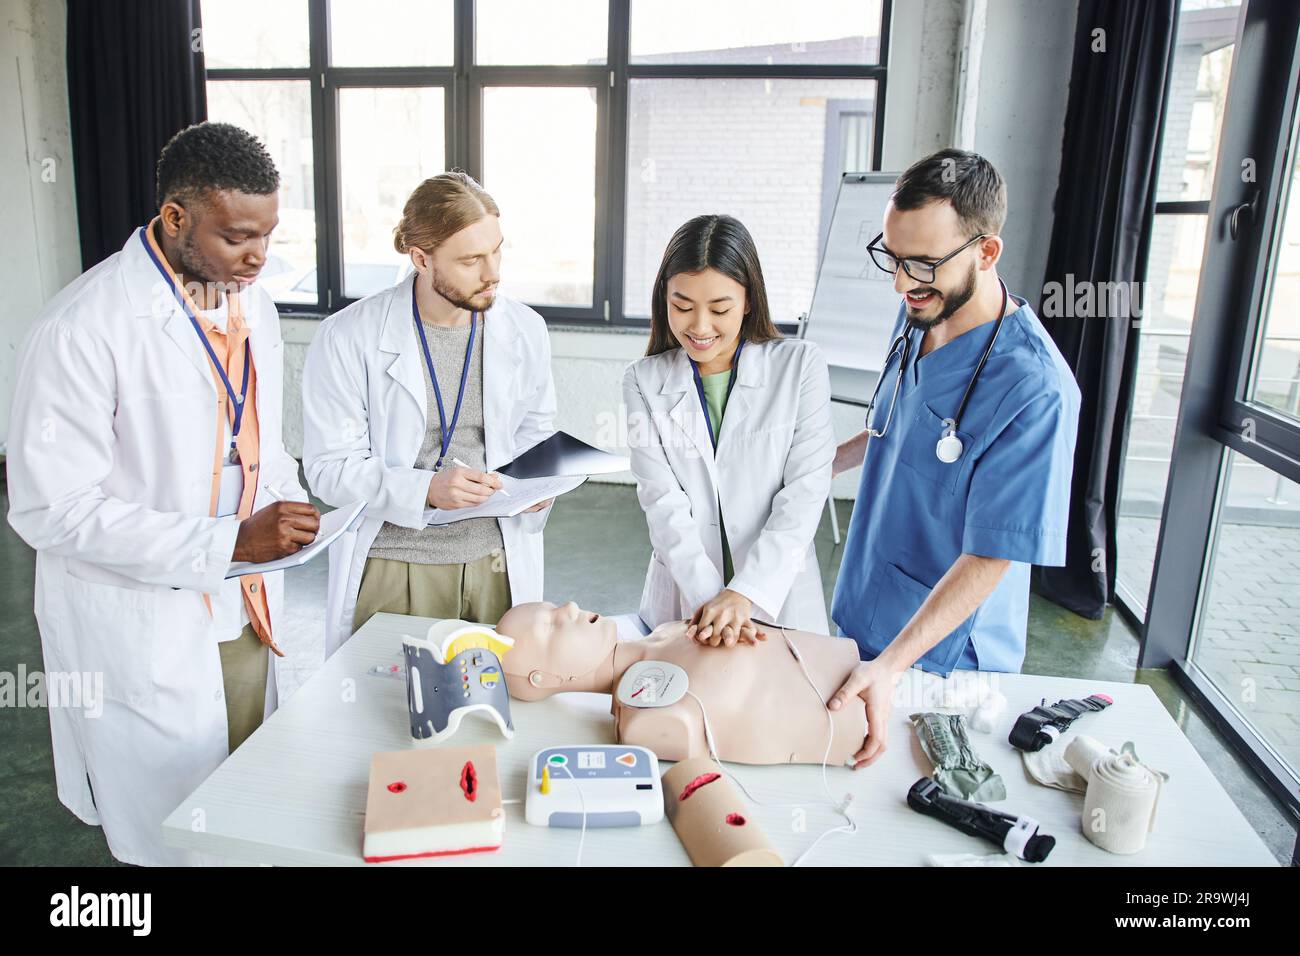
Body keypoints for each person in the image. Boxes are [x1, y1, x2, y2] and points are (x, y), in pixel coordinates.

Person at [6, 122, 319, 865]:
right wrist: (226, 543)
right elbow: (51, 507)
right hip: (147, 624)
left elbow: (260, 443)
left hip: (245, 610)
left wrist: (288, 503)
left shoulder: (254, 306)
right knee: (173, 832)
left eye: (269, 237)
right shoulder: (83, 327)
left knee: (244, 797)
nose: (258, 258)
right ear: (175, 218)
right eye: (238, 237)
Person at [826, 149, 1081, 768]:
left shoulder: (1036, 390)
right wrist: (816, 465)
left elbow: (994, 553)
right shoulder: (919, 308)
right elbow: (901, 429)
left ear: (986, 252)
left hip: (941, 662)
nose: (900, 283)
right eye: (890, 258)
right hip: (868, 609)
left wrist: (891, 666)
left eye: (920, 264)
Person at [303, 172, 556, 657]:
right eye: (470, 260)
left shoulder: (525, 328)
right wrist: (425, 490)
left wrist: (539, 485)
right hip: (397, 561)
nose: (493, 273)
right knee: (387, 718)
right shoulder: (347, 337)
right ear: (421, 259)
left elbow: (535, 433)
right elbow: (328, 471)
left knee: (490, 716)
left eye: (497, 250)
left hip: (496, 560)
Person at [623, 215, 835, 643]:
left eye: (720, 309)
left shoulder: (800, 366)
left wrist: (744, 594)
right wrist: (711, 603)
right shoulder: (643, 381)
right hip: (686, 600)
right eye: (682, 306)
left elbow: (804, 494)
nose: (699, 327)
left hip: (779, 596)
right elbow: (662, 503)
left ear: (750, 301)